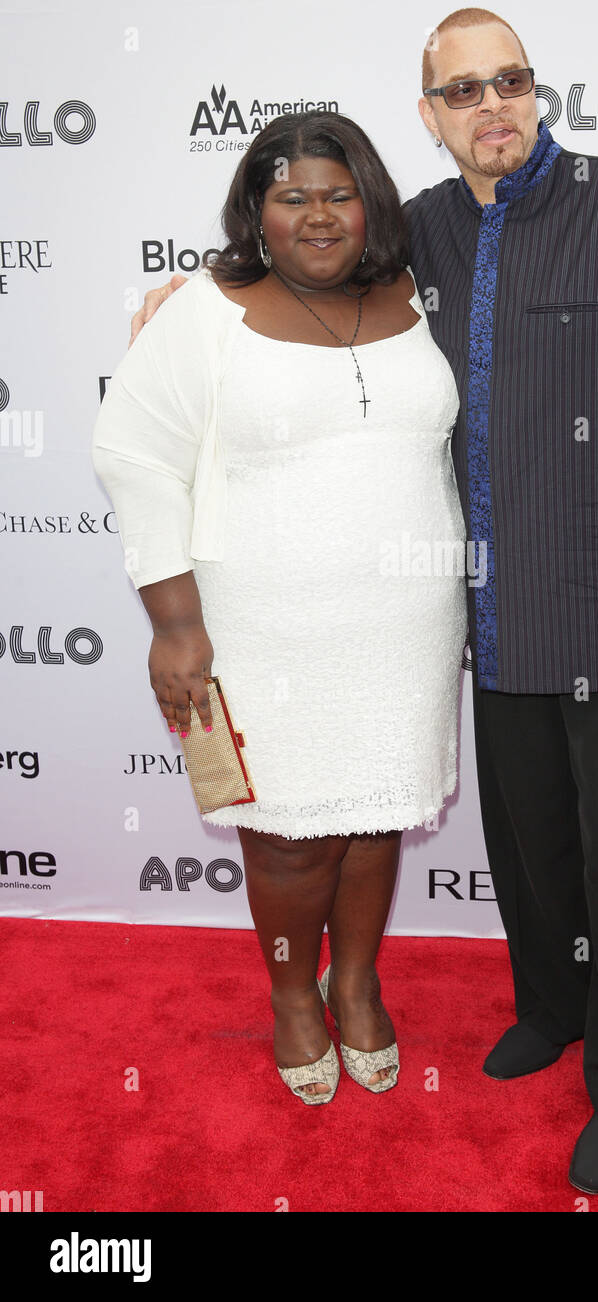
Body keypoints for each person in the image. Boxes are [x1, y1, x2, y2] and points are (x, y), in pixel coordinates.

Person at [132, 6, 598, 1195]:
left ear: (536, 90)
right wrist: (192, 292)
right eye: (461, 92)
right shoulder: (414, 230)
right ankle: (551, 1007)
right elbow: (295, 267)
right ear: (430, 116)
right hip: (485, 606)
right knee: (526, 838)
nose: (490, 107)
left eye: (508, 81)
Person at [92, 112, 468, 1106]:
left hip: (406, 623)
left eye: (337, 194)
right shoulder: (206, 310)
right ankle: (293, 993)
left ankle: (357, 981)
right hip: (265, 623)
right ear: (256, 211)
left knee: (378, 814)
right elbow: (133, 454)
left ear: (368, 201)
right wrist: (175, 625)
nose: (317, 214)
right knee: (291, 833)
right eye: (291, 195)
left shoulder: (413, 294)